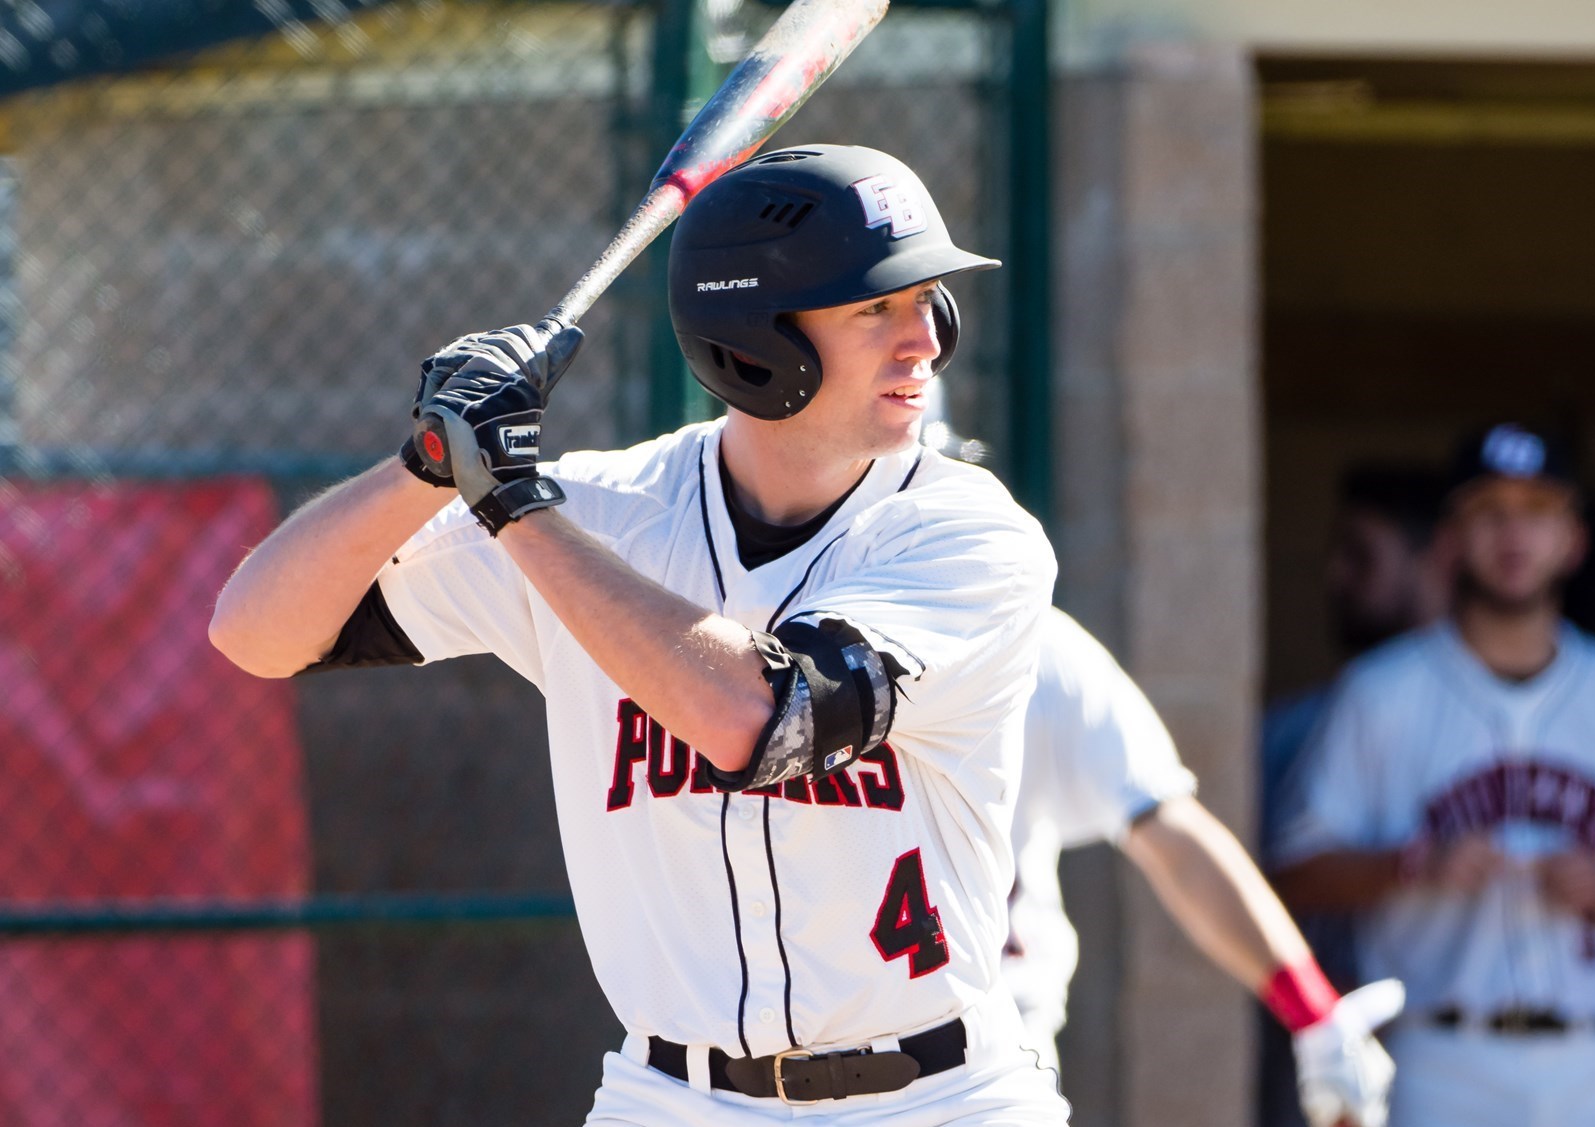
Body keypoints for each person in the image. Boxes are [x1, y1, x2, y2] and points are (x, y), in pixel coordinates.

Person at [210, 144, 1070, 1124]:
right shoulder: (607, 513)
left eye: (927, 300)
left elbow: (763, 717)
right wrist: (426, 460)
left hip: (934, 1096)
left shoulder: (966, 534)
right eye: (874, 307)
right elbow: (257, 631)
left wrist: (518, 508)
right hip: (670, 1094)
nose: (925, 338)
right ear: (759, 336)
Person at [1270, 421, 1595, 1127]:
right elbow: (1291, 872)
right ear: (1449, 539)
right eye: (1490, 512)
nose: (1515, 535)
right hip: (1436, 1057)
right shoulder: (1380, 692)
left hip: (1588, 1055)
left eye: (1538, 512)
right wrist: (1412, 862)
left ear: (1574, 539)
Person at [1003, 605, 1403, 1127]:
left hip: (992, 1058)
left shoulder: (1023, 636)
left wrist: (1315, 1013)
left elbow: (1175, 840)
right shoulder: (867, 640)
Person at [1258, 463, 1449, 1127]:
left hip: (1464, 1051)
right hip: (1318, 1034)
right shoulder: (1290, 729)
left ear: (1439, 562)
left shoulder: (1526, 710)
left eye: (1361, 555)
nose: (1336, 576)